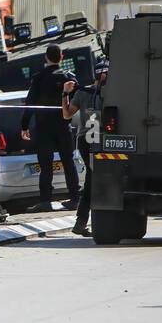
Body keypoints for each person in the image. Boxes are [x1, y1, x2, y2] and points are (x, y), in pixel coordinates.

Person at [20, 43, 80, 211]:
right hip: (63, 125)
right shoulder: (69, 77)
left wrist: (24, 125)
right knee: (68, 162)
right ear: (61, 58)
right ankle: (75, 198)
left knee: (45, 164)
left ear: (46, 57)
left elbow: (30, 103)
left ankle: (46, 200)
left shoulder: (38, 78)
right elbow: (78, 97)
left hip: (44, 127)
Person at [62, 58, 109, 236]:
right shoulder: (91, 92)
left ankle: (84, 221)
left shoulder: (86, 92)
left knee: (93, 179)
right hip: (91, 138)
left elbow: (67, 114)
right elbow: (67, 115)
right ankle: (81, 221)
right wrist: (65, 93)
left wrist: (66, 94)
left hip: (89, 139)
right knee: (92, 180)